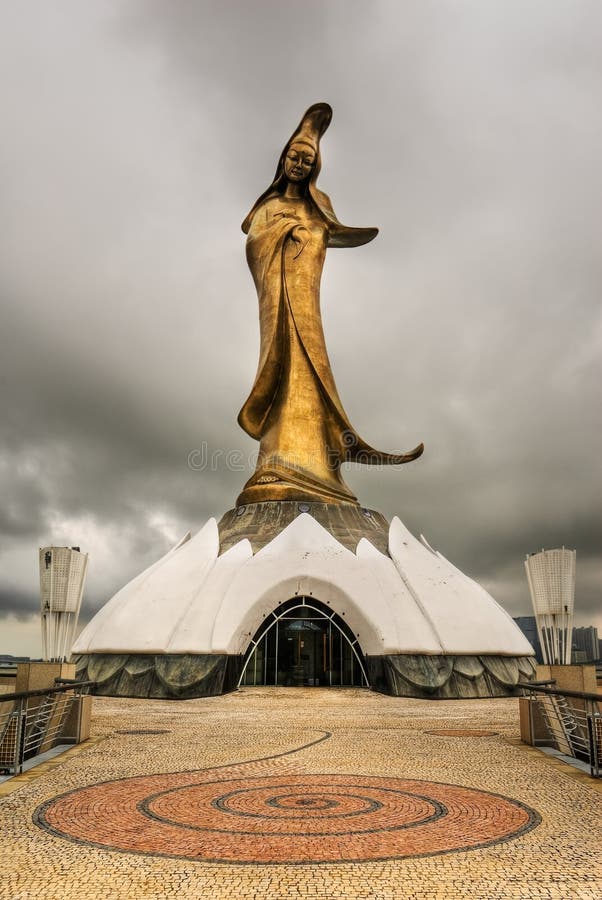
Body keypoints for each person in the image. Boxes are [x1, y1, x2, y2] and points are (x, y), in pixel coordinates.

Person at [237, 103, 423, 506]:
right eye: (294, 157)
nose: (299, 164)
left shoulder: (318, 204)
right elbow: (253, 240)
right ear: (283, 159)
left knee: (311, 368)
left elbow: (330, 234)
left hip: (304, 300)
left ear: (315, 165)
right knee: (284, 365)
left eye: (307, 160)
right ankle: (280, 460)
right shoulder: (268, 206)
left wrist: (309, 234)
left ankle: (320, 468)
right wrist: (285, 230)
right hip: (280, 298)